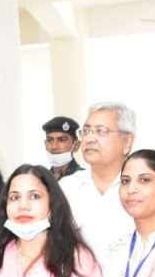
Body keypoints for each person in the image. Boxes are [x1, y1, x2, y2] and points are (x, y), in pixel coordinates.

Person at [58, 102, 136, 258]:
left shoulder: (140, 188)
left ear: (127, 142)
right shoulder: (66, 188)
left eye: (101, 131)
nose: (89, 138)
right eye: (86, 131)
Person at [42, 116, 82, 181]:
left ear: (76, 146)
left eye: (62, 140)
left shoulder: (84, 178)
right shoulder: (41, 179)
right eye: (49, 140)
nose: (54, 146)